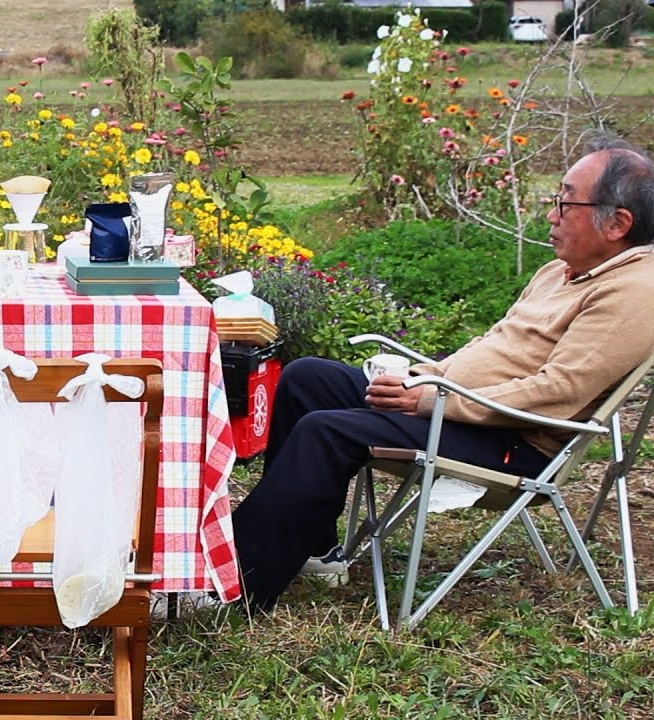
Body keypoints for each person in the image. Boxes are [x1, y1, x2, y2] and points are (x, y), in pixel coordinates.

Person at [232, 135, 654, 611]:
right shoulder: (560, 271)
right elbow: (491, 346)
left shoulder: (634, 293)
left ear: (617, 223)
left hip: (511, 441)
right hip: (458, 404)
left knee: (326, 430)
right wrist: (421, 377)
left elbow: (558, 393)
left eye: (566, 201)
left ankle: (237, 582)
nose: (552, 214)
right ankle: (314, 549)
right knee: (308, 379)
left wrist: (434, 400)